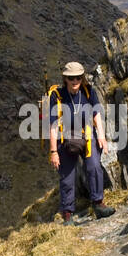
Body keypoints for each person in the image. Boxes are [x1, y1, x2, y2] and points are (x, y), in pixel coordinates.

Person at [47, 61, 116, 223]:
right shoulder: (57, 96)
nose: (75, 81)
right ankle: (68, 213)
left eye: (78, 77)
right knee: (67, 176)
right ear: (65, 79)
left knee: (94, 167)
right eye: (71, 78)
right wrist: (53, 152)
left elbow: (96, 114)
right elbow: (52, 125)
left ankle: (98, 204)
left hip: (87, 134)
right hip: (65, 139)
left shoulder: (88, 91)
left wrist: (101, 136)